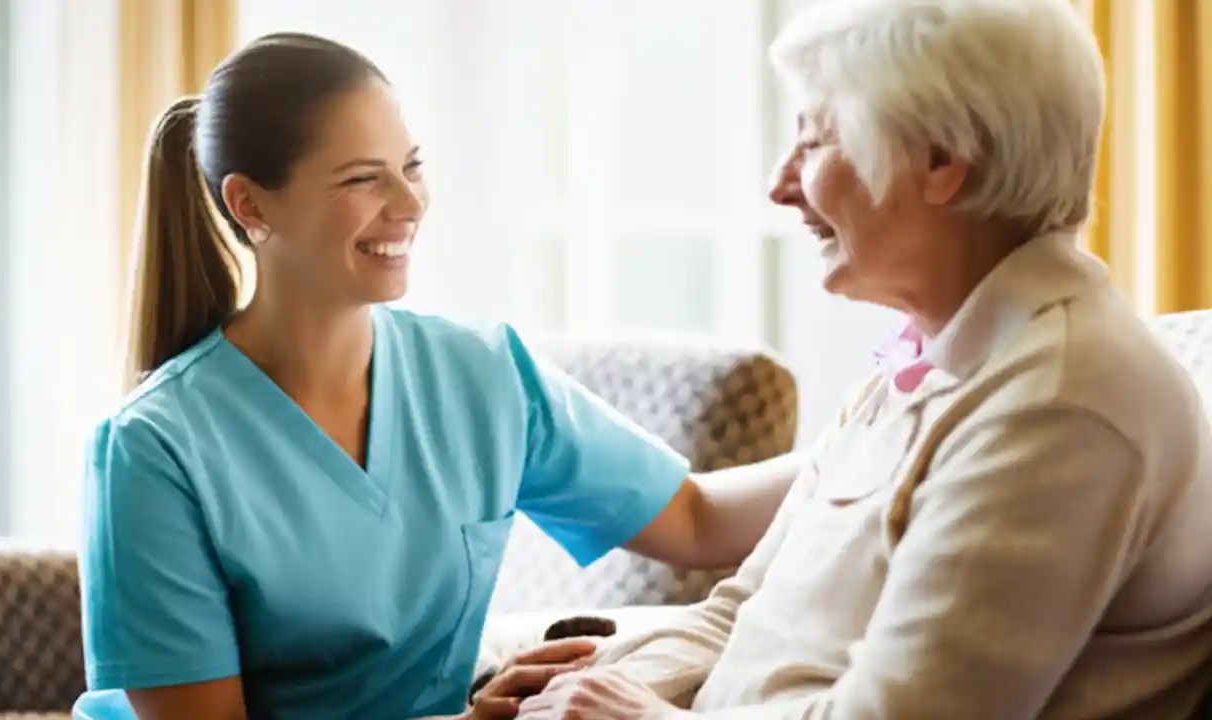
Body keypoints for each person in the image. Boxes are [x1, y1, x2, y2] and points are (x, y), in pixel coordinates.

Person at [517, 1, 1212, 718]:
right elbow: (740, 613)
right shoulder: (928, 363)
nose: (780, 184)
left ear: (944, 159)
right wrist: (586, 680)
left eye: (815, 143)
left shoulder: (1060, 406)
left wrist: (639, 716)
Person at [75, 32, 797, 720]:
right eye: (363, 179)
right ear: (250, 205)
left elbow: (698, 520)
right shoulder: (151, 449)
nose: (411, 204)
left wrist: (890, 434)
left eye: (412, 167)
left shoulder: (480, 373)